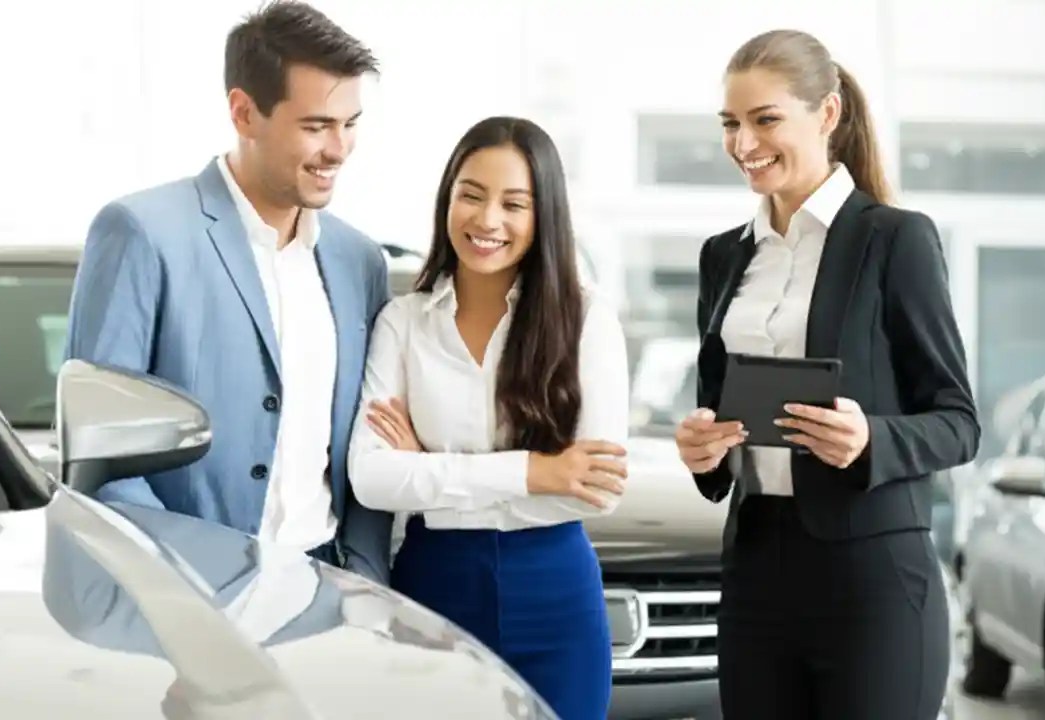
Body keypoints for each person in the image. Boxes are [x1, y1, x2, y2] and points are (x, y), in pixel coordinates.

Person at [673, 29, 979, 719]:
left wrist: (869, 437)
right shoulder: (723, 257)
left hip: (872, 575)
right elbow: (717, 414)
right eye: (731, 123)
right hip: (755, 570)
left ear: (829, 115)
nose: (743, 143)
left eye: (765, 120)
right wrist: (703, 451)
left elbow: (959, 422)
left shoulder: (895, 240)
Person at [64, 0, 394, 583]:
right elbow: (102, 454)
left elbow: (361, 445)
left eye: (351, 123)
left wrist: (365, 576)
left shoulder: (358, 261)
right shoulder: (142, 233)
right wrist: (186, 579)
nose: (339, 149)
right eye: (316, 126)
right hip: (189, 583)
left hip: (333, 586)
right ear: (244, 112)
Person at [348, 115, 630, 720]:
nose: (487, 220)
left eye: (514, 204)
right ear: (447, 198)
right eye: (471, 195)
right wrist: (536, 471)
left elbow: (597, 489)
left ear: (543, 215)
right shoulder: (403, 321)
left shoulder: (586, 320)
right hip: (432, 588)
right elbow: (371, 479)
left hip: (555, 594)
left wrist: (428, 470)